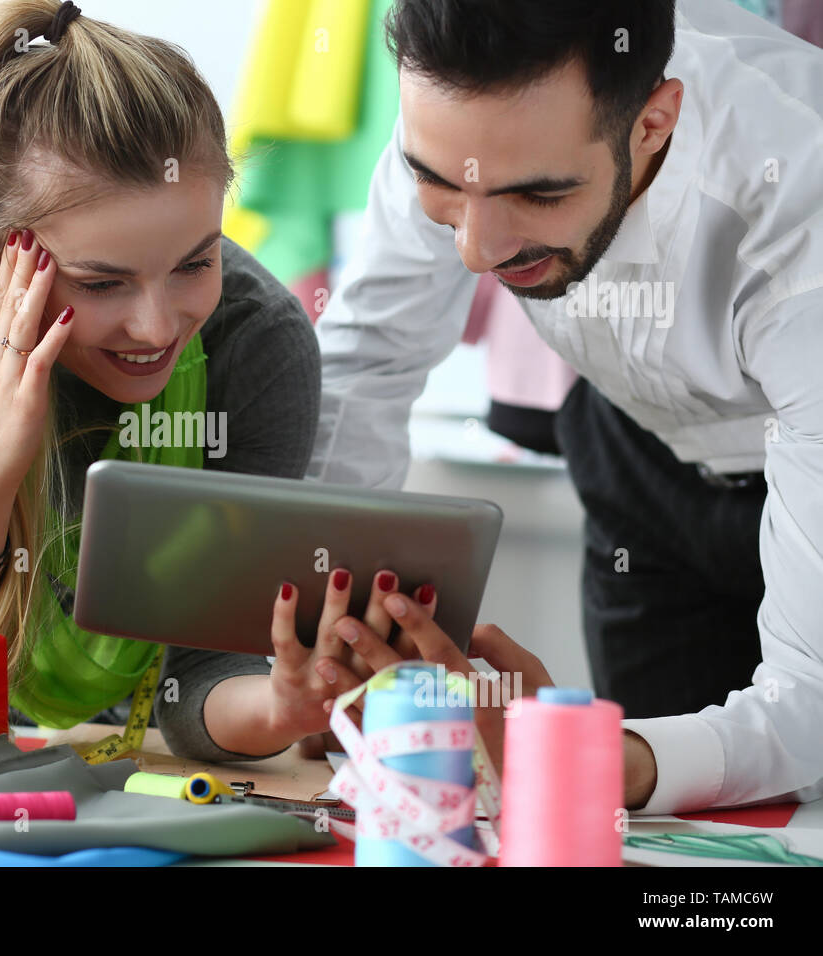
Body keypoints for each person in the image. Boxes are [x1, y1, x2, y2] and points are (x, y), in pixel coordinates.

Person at [0, 0, 418, 761]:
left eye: (197, 262)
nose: (157, 328)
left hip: (150, 780)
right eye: (100, 283)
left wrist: (284, 702)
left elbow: (202, 679)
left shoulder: (259, 344)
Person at [309, 0, 823, 813]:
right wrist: (316, 626)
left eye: (538, 196)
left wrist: (571, 757)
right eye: (436, 184)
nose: (475, 250)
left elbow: (812, 714)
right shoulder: (464, 126)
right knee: (650, 849)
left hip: (799, 452)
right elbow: (367, 361)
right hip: (637, 457)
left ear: (654, 123)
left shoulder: (802, 213)